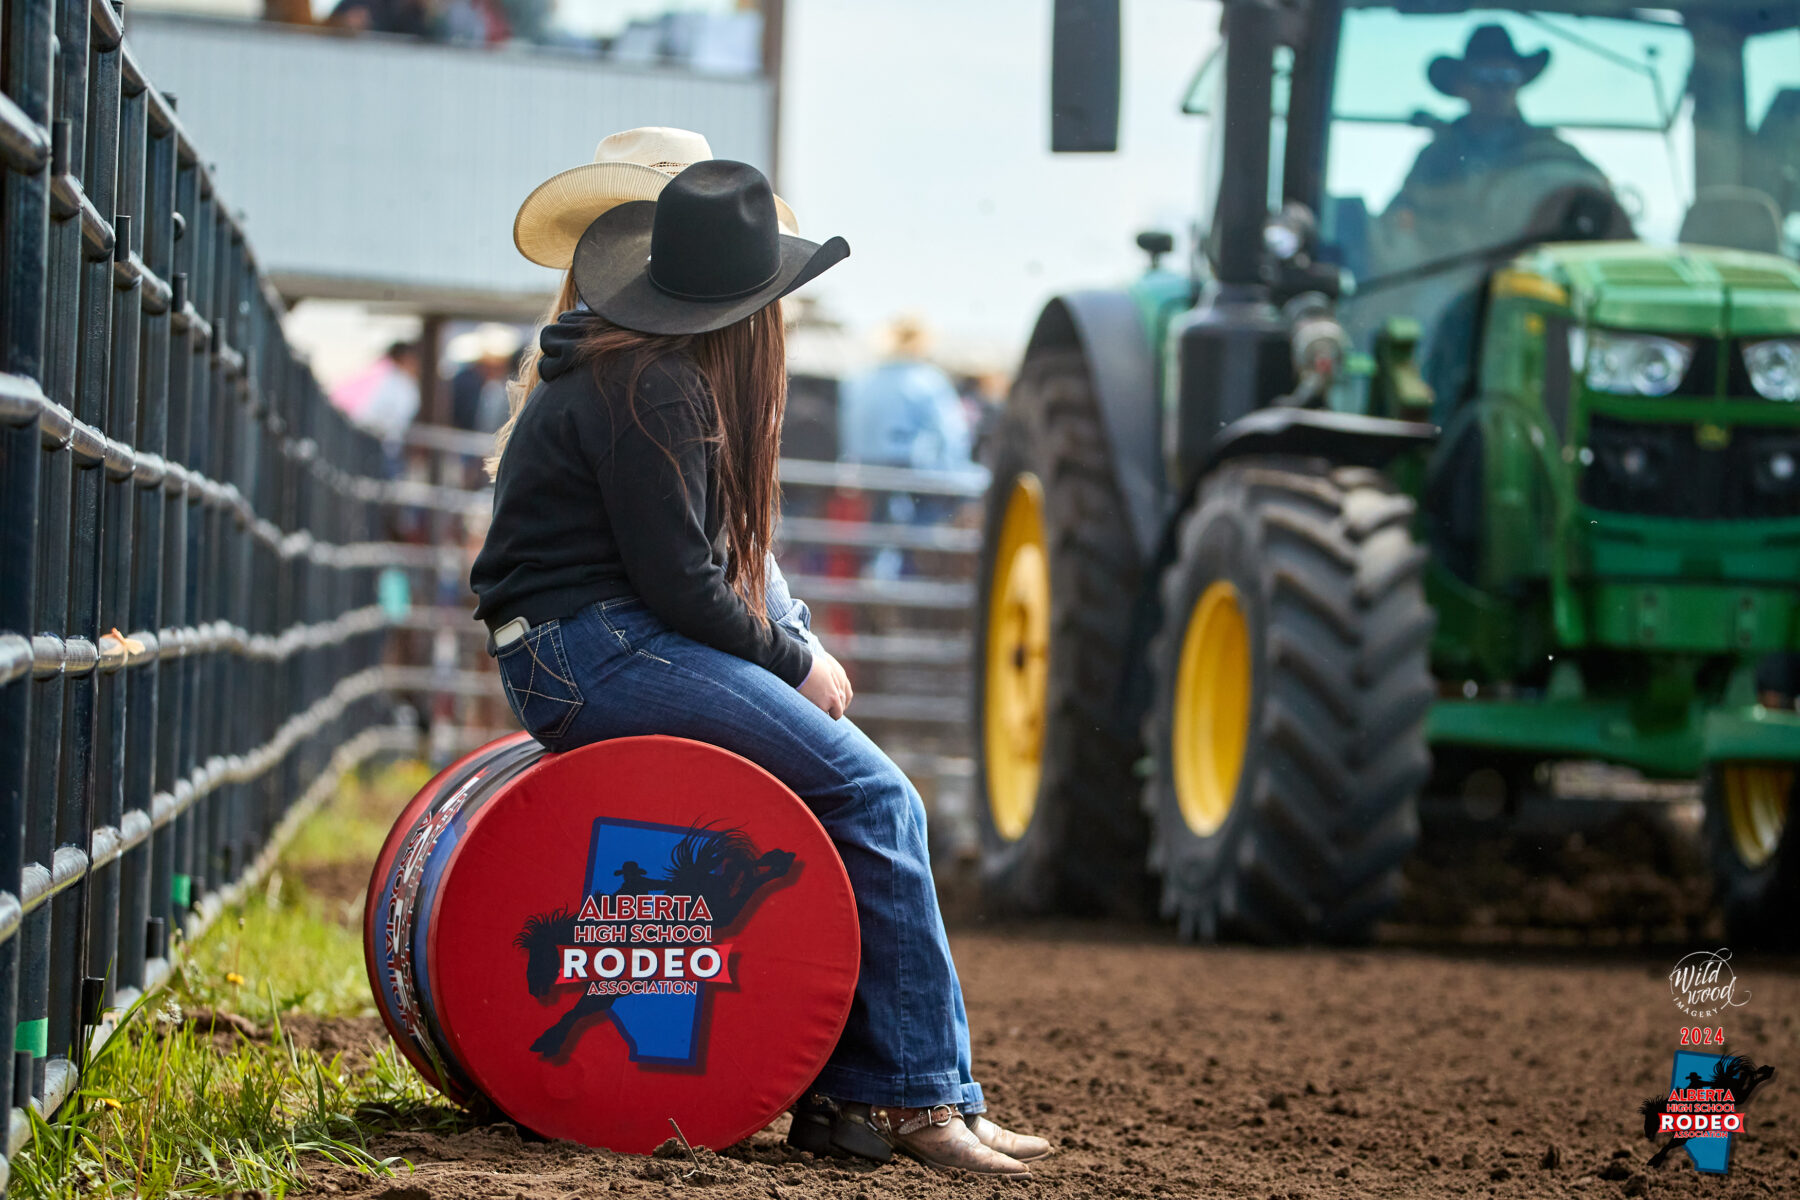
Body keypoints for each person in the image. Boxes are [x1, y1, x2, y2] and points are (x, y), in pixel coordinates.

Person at [470, 142, 1049, 1177]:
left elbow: (680, 575)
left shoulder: (623, 367)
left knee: (864, 798)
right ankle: (915, 1098)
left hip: (572, 648)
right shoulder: (658, 388)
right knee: (878, 799)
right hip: (595, 647)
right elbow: (680, 584)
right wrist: (796, 662)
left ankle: (878, 1096)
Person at [1389, 25, 1597, 224]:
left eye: (1507, 77)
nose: (1496, 88)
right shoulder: (1433, 160)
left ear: (1518, 85)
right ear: (1460, 85)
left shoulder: (1553, 151)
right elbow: (1397, 225)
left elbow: (1599, 206)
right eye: (1483, 77)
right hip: (1449, 261)